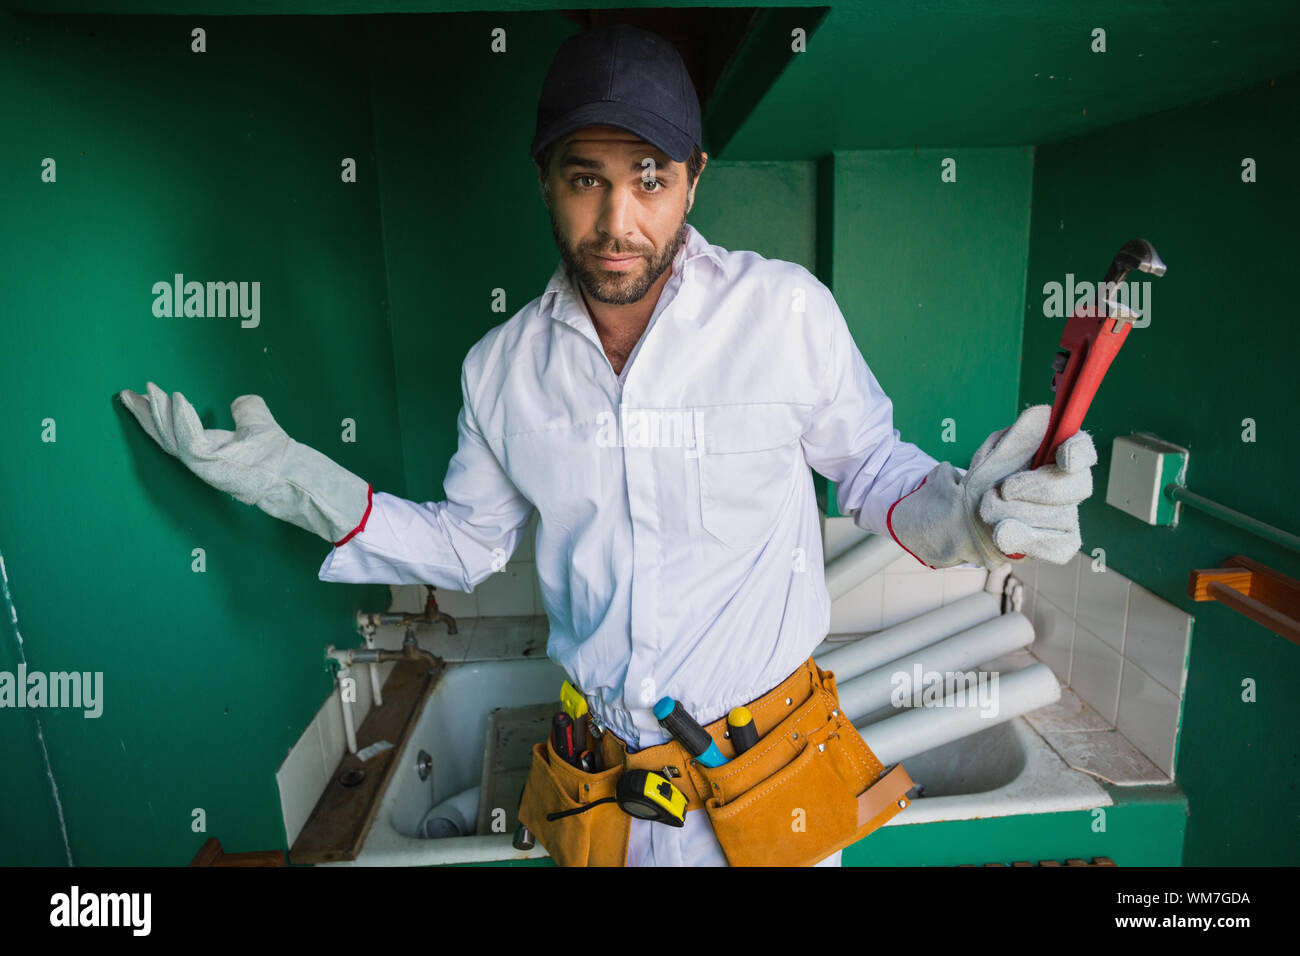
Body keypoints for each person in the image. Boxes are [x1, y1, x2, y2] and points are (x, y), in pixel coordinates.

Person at [119, 24, 1095, 867]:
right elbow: (468, 544)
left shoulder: (781, 312)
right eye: (585, 179)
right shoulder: (499, 372)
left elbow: (878, 472)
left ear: (693, 178)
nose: (617, 222)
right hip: (601, 793)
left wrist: (972, 514)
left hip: (767, 791)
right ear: (544, 176)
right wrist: (296, 484)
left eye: (649, 180)